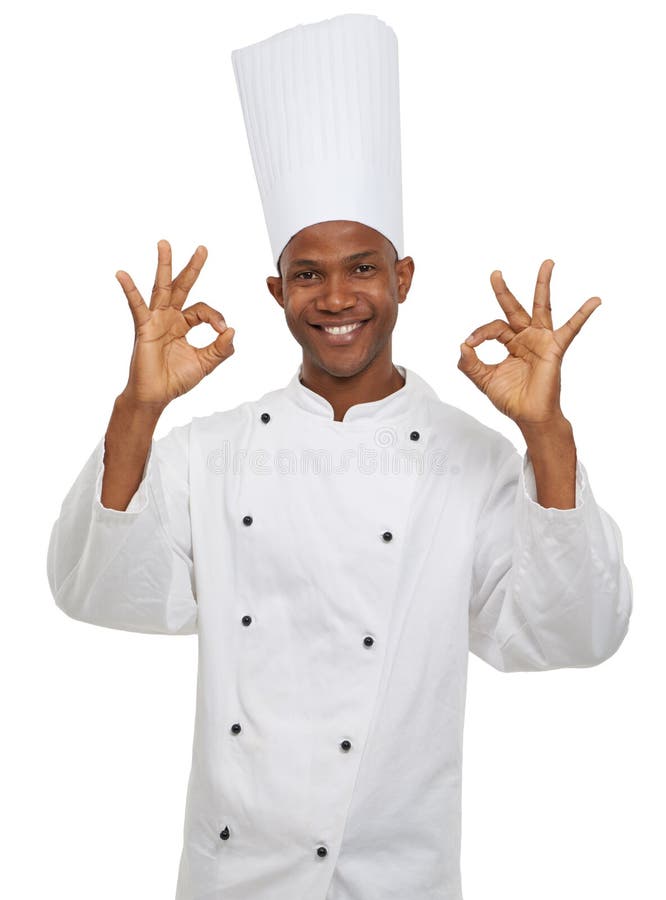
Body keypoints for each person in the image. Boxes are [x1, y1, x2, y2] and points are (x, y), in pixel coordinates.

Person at [46, 13, 633, 900]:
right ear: (277, 291)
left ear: (403, 278)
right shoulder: (214, 451)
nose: (336, 298)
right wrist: (140, 407)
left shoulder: (469, 461)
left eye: (362, 268)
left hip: (400, 877)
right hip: (234, 876)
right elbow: (92, 589)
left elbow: (576, 632)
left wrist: (547, 434)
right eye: (308, 274)